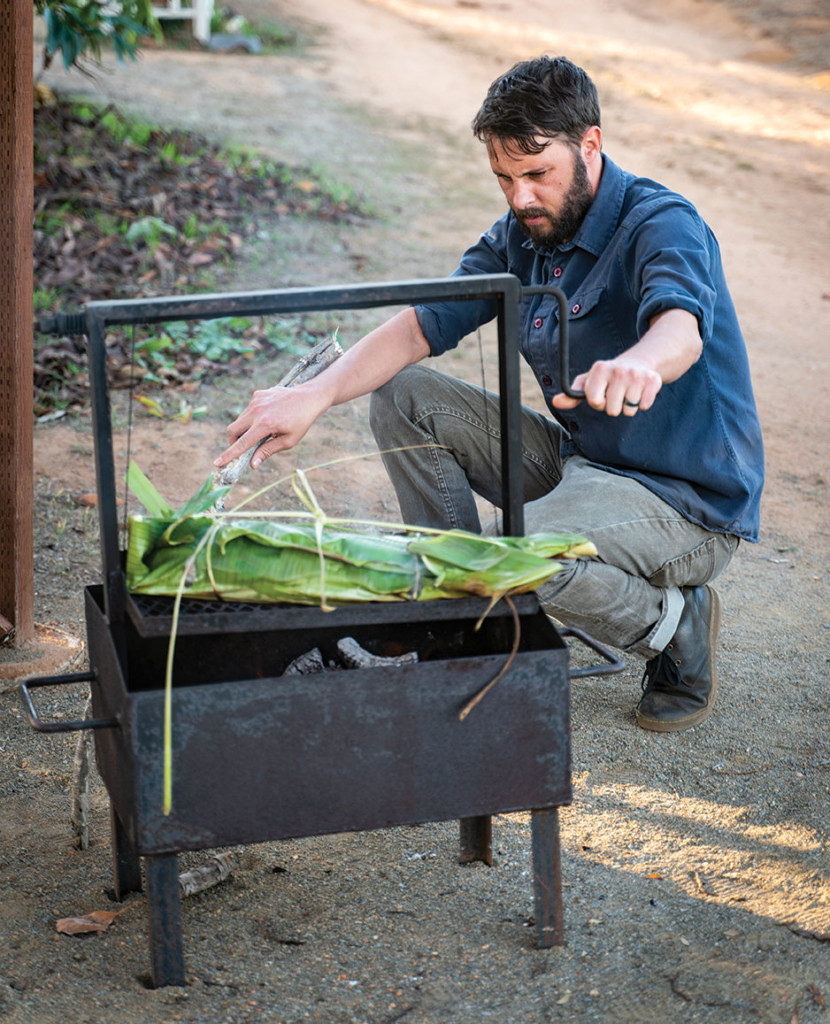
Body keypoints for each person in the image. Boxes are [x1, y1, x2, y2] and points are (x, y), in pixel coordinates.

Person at [214, 55, 764, 733]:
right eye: (504, 177)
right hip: (587, 464)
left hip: (686, 501)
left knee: (513, 548)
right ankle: (460, 618)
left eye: (537, 174)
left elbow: (679, 327)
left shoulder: (662, 222)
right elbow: (422, 323)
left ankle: (674, 623)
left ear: (590, 144)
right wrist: (316, 393)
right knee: (404, 394)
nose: (520, 197)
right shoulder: (521, 235)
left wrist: (642, 364)